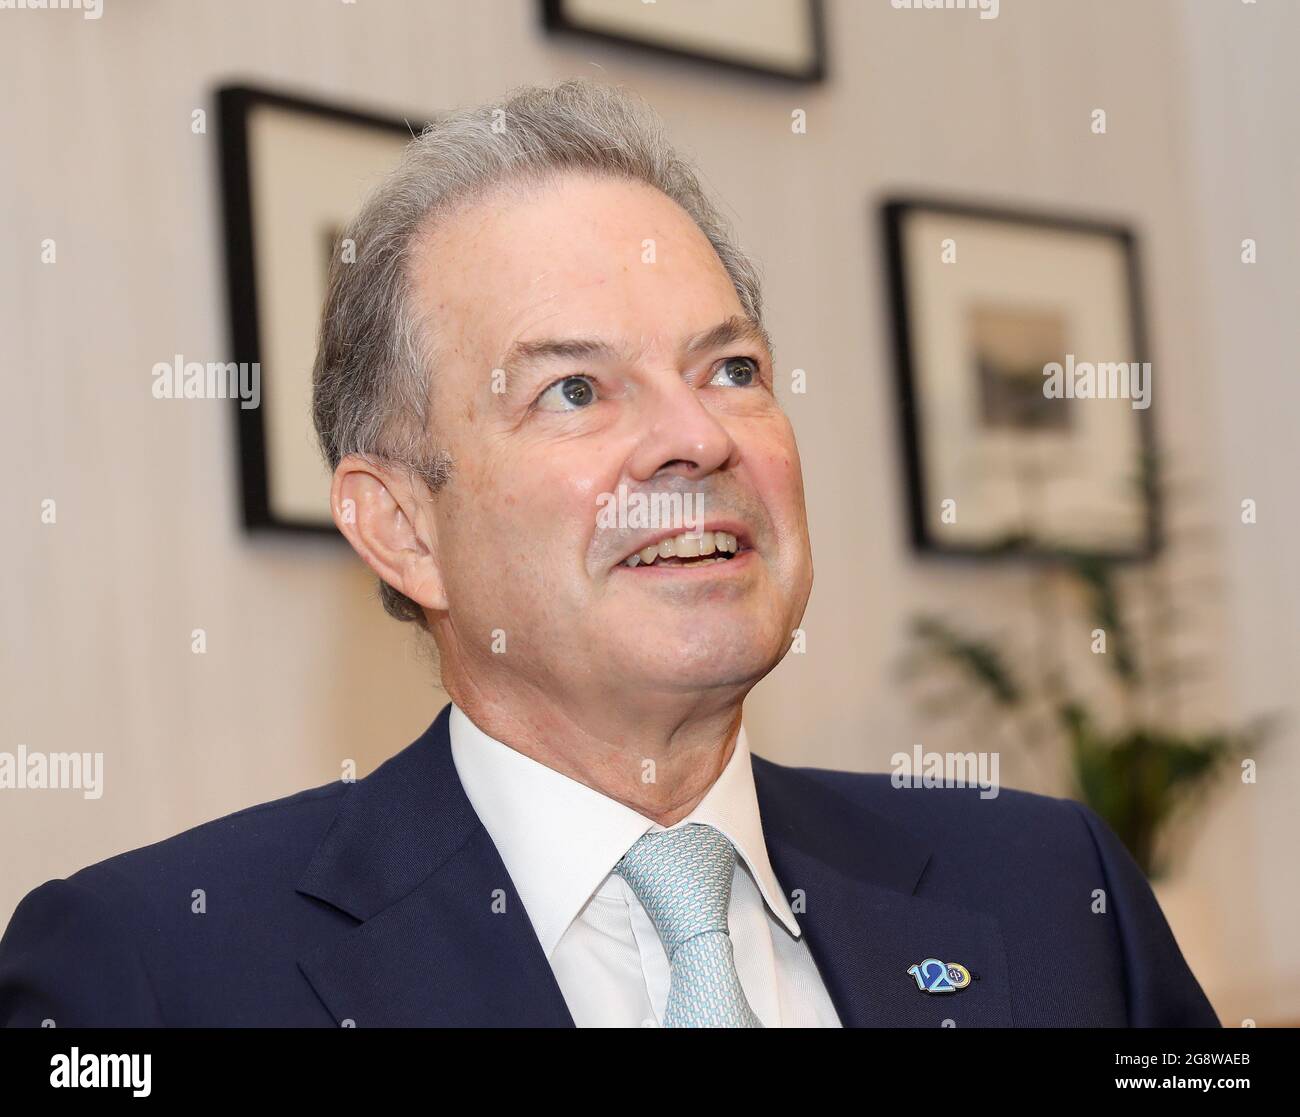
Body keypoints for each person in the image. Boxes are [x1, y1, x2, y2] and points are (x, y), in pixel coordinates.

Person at [0, 79, 1218, 1027]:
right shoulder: (152, 969)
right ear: (401, 527)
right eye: (575, 389)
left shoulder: (1055, 890)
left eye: (729, 370)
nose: (695, 439)